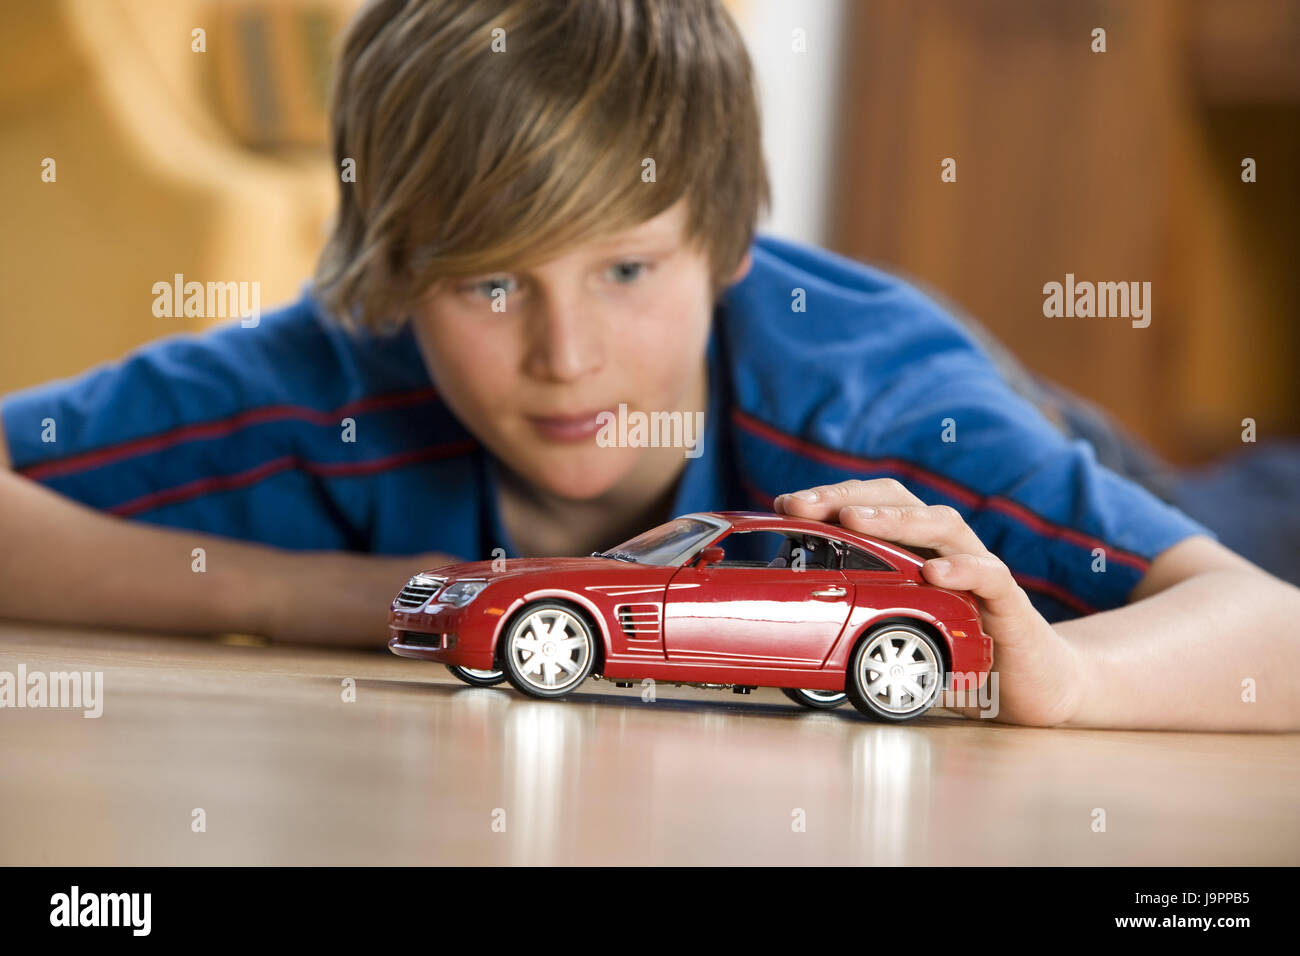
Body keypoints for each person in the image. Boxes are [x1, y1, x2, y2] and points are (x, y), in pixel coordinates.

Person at [1, 0, 1297, 731]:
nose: (566, 359)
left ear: (728, 244)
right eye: (490, 281)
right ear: (399, 279)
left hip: (1193, 513)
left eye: (627, 271)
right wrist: (334, 595)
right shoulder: (328, 383)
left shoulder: (867, 407)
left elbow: (1269, 634)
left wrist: (1071, 682)